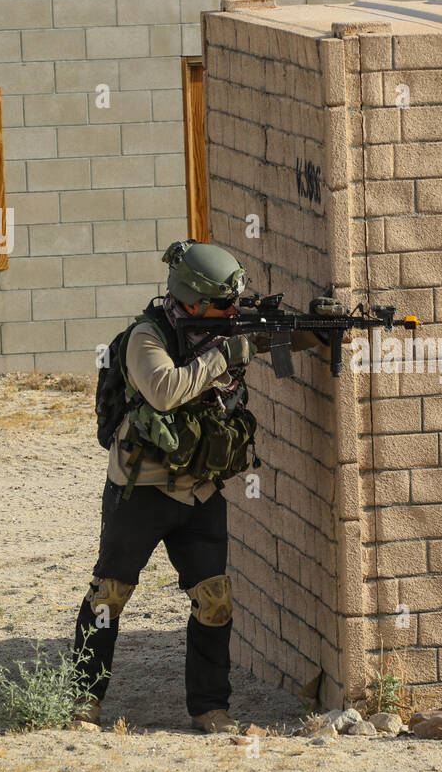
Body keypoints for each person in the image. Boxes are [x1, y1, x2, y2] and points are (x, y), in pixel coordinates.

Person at [70, 240, 319, 733]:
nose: (233, 312)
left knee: (214, 600)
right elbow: (163, 392)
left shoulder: (222, 326)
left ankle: (210, 707)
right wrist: (225, 355)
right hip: (140, 489)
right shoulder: (148, 336)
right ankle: (83, 699)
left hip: (200, 491)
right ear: (194, 301)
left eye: (235, 305)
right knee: (108, 597)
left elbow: (283, 341)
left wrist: (319, 329)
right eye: (224, 305)